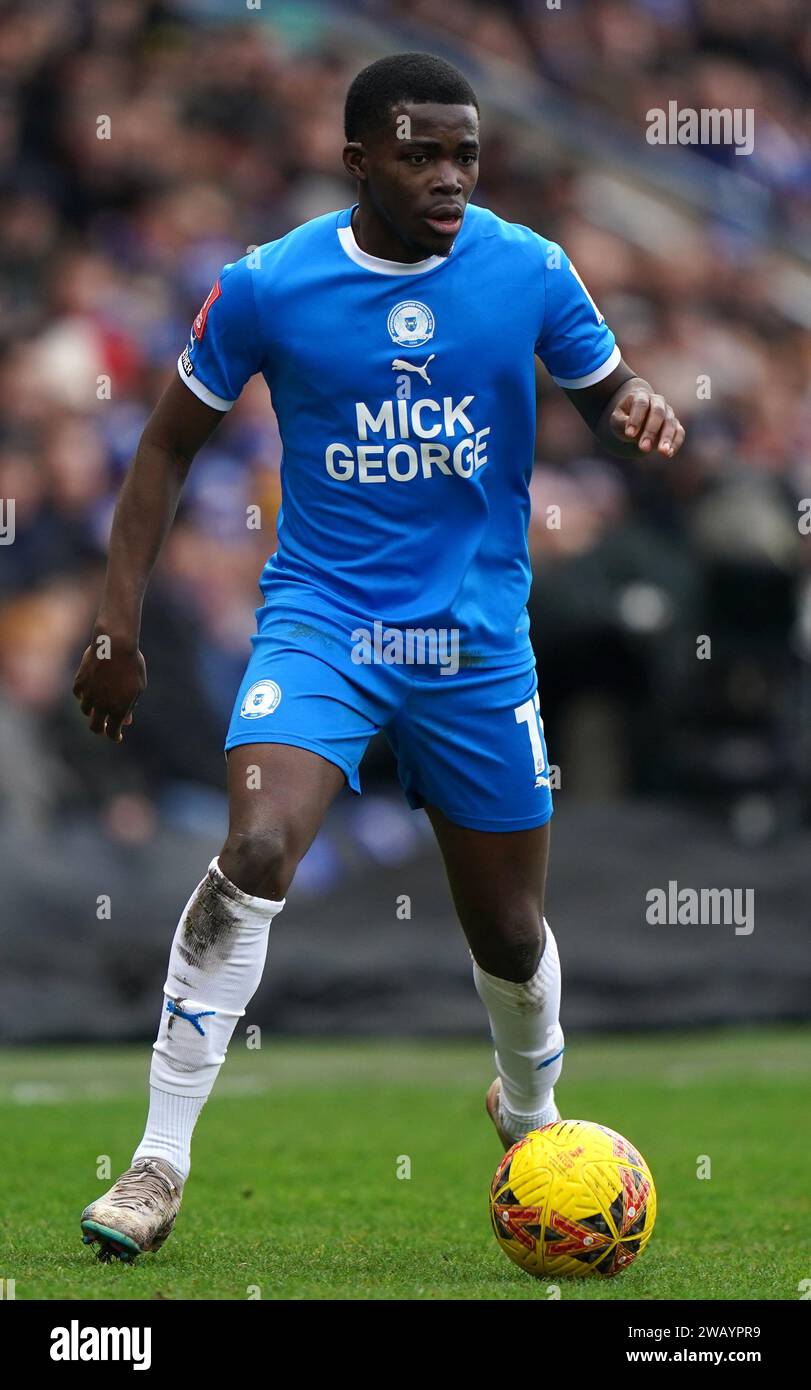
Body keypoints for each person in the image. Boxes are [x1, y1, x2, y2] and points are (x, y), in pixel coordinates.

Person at [73, 52, 684, 1262]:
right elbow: (161, 451)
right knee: (253, 850)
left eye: (466, 152)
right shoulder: (267, 285)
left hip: (474, 645)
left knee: (509, 932)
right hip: (324, 625)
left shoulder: (528, 269)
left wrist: (637, 412)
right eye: (421, 154)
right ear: (357, 159)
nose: (451, 176)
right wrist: (116, 623)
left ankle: (529, 1114)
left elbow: (609, 389)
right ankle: (157, 1161)